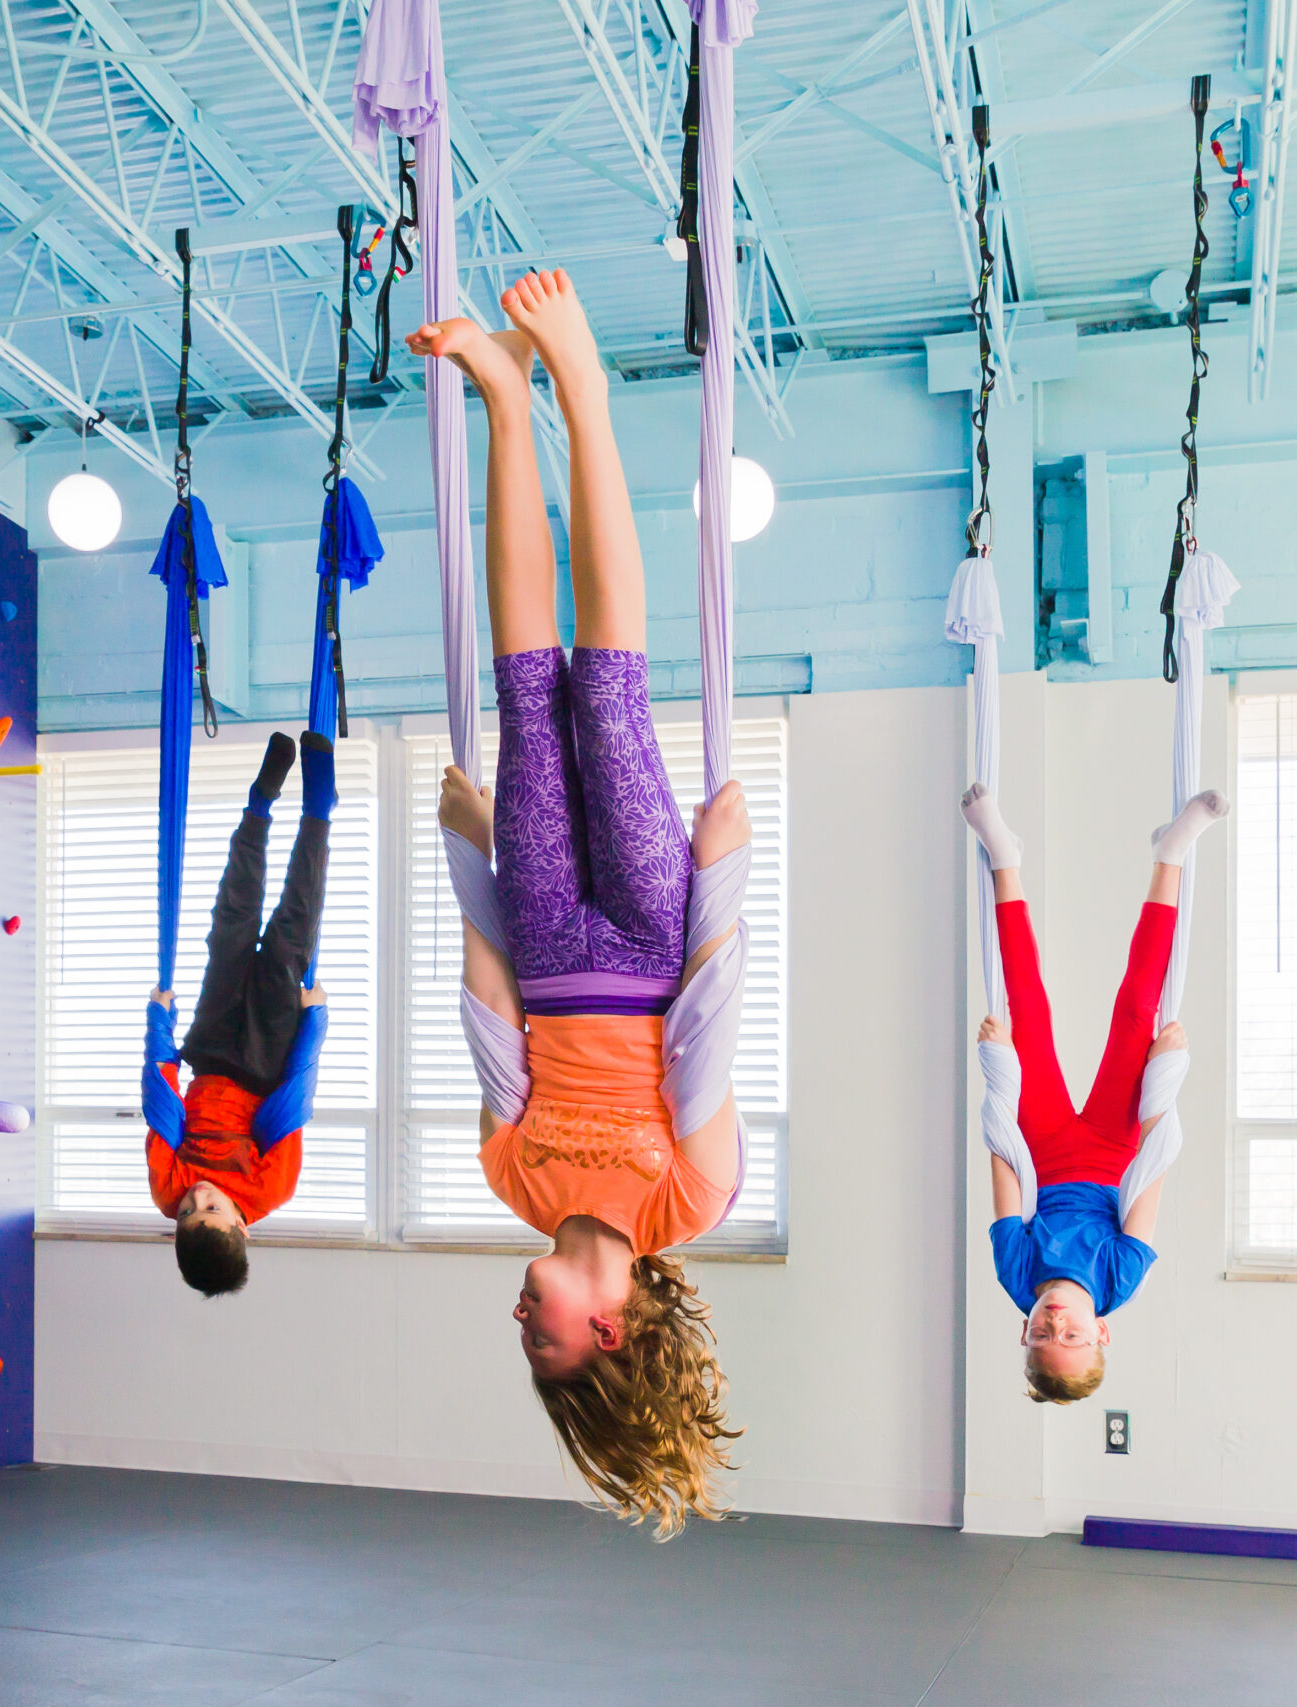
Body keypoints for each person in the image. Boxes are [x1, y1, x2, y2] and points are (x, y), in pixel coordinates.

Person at [410, 270, 749, 1538]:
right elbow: (706, 1034)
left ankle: (505, 399)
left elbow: (487, 1013)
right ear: (605, 1329)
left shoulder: (514, 1180)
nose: (519, 1323)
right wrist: (726, 871)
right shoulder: (686, 1203)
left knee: (524, 686)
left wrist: (469, 853)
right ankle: (583, 396)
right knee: (605, 693)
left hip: (551, 943)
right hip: (655, 944)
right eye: (543, 1347)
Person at [961, 782, 1227, 1404]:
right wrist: (1165, 1076)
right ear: (1101, 1331)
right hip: (1115, 1148)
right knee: (1140, 1008)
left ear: (1022, 1332)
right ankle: (1171, 855)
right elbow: (1153, 1170)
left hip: (1043, 1146)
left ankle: (1005, 858)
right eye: (1072, 1335)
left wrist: (999, 1073)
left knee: (1024, 1004)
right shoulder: (1120, 1277)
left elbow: (1003, 1163)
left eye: (1040, 1334)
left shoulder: (1016, 1275)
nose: (1055, 1322)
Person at [145, 731, 333, 1296]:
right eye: (210, 1210)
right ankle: (318, 813)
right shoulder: (269, 1189)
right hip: (263, 1058)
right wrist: (316, 1021)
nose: (196, 1198)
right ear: (242, 1227)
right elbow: (294, 1099)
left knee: (230, 925)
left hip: (207, 1049)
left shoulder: (166, 1189)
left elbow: (161, 1100)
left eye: (185, 1215)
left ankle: (259, 806)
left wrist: (159, 1023)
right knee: (287, 938)